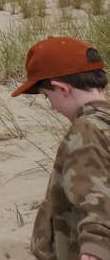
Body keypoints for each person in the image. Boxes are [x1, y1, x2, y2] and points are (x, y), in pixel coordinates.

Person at [12, 35, 110, 260]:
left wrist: (94, 251)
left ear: (62, 88)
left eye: (48, 97)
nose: (53, 107)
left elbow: (98, 208)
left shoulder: (86, 131)